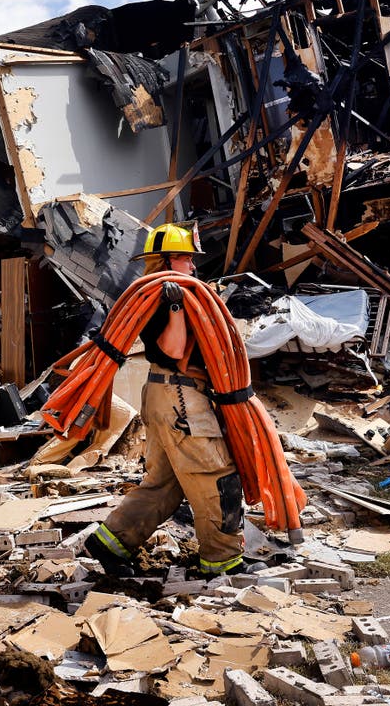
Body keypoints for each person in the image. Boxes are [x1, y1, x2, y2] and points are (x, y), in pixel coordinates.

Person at [84, 222, 265, 578]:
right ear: (164, 261)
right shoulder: (158, 300)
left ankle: (110, 543)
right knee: (217, 477)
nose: (192, 266)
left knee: (164, 484)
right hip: (179, 396)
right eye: (185, 258)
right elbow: (173, 349)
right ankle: (222, 562)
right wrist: (178, 308)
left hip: (168, 395)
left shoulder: (175, 294)